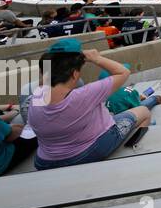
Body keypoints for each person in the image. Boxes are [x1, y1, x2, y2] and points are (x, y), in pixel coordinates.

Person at [28, 39, 152, 170]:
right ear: (75, 74)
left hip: (44, 161)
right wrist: (96, 58)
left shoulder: (37, 95)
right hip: (86, 153)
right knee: (143, 111)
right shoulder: (85, 94)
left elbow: (45, 77)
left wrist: (56, 58)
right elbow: (123, 72)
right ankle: (133, 143)